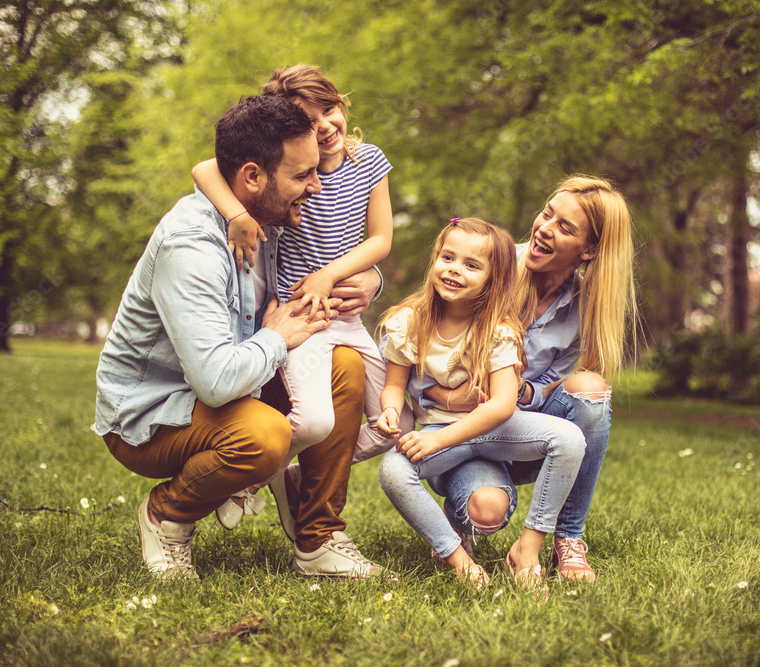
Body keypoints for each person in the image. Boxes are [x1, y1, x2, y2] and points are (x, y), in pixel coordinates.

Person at [94, 96, 381, 580]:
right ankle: (166, 515)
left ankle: (318, 539)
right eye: (303, 176)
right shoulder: (192, 246)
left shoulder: (263, 220)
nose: (316, 185)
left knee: (345, 365)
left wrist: (370, 278)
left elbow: (336, 248)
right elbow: (216, 382)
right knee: (263, 437)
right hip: (153, 414)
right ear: (252, 176)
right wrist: (276, 337)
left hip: (237, 384)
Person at [191, 66, 413, 559]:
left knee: (403, 423)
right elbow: (204, 169)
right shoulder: (286, 169)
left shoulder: (370, 162)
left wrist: (337, 275)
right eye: (310, 122)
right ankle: (251, 475)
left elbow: (380, 239)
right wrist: (238, 215)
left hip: (347, 319)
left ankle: (289, 476)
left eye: (330, 110)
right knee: (313, 421)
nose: (326, 126)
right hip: (302, 320)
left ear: (343, 104)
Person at [423, 175, 637, 583]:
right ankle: (459, 519)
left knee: (590, 389)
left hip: (523, 429)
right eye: (547, 213)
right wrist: (453, 397)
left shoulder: (585, 306)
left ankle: (567, 537)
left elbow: (555, 383)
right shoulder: (489, 269)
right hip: (461, 432)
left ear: (590, 249)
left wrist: (522, 391)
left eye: (565, 227)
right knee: (485, 510)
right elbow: (422, 351)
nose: (544, 228)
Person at [376, 218, 586, 590]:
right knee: (393, 472)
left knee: (570, 439)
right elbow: (394, 386)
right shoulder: (408, 322)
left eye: (472, 265)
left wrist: (438, 441)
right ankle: (457, 558)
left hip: (494, 430)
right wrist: (391, 410)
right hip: (440, 431)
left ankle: (530, 549)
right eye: (448, 258)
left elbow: (503, 405)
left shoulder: (498, 330)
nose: (455, 270)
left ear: (494, 279)